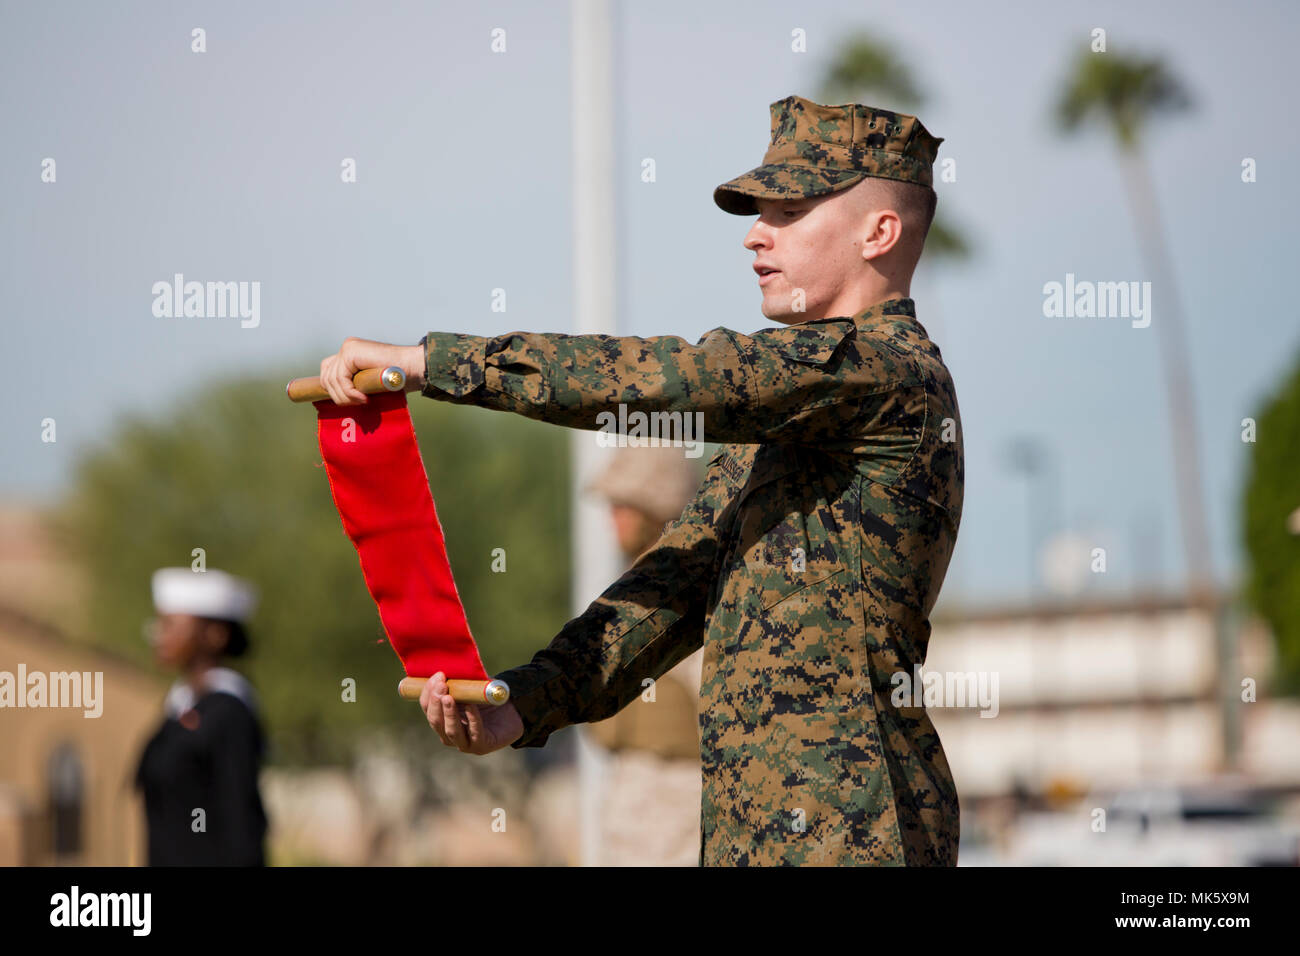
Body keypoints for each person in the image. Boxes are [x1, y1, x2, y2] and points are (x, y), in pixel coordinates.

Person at [317, 94, 964, 865]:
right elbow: (667, 592)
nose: (757, 235)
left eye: (789, 211)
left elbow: (674, 379)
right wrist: (518, 707)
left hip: (859, 835)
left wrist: (438, 363)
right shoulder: (792, 423)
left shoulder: (885, 372)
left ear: (879, 231)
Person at [582, 446, 704, 865]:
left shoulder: (697, 602)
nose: (613, 516)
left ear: (660, 507)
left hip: (682, 810)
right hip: (630, 805)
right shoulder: (624, 598)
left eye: (625, 504)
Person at [135, 567, 268, 866]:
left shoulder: (228, 714)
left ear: (214, 634)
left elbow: (240, 823)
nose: (159, 636)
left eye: (170, 625)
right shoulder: (180, 708)